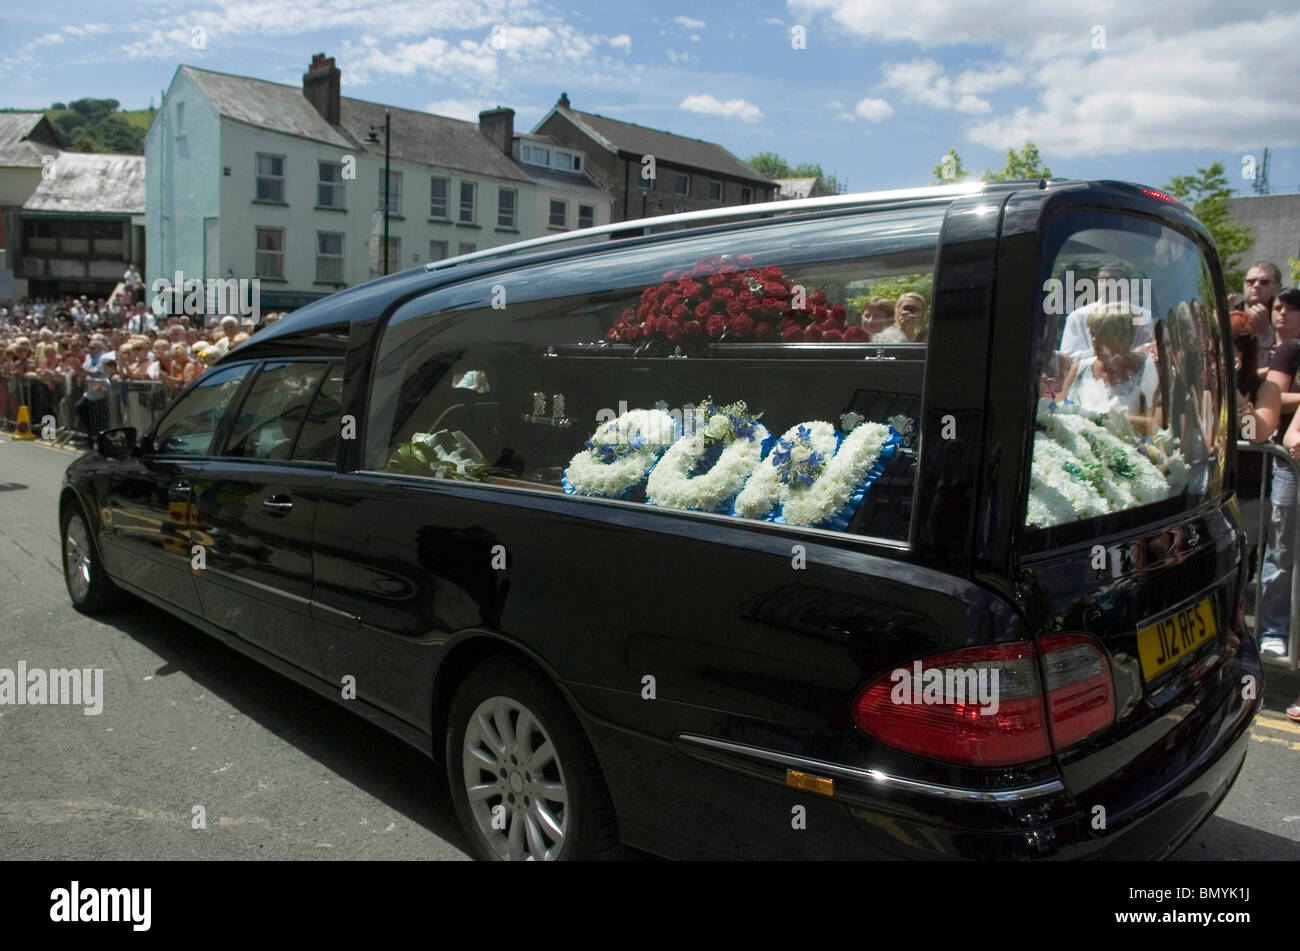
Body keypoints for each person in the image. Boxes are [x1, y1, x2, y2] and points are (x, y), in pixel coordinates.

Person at [1257, 286, 1300, 657]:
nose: (1281, 313)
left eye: (1291, 309)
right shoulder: (1291, 350)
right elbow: (1275, 412)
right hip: (1289, 468)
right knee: (1282, 552)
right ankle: (1273, 630)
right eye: (1279, 307)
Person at [1062, 303, 1159, 433]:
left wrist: (1105, 421)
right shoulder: (1078, 370)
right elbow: (1057, 413)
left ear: (1122, 338)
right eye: (1092, 334)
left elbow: (1154, 425)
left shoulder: (1147, 369)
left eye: (1101, 335)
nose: (1094, 341)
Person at [1058, 262, 1154, 361]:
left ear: (1127, 283)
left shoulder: (1142, 316)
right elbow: (1067, 359)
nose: (1107, 284)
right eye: (1102, 279)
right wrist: (1104, 350)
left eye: (1113, 280)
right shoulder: (1078, 317)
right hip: (1091, 375)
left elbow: (1150, 353)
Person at [1244, 261, 1282, 354]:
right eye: (1250, 281)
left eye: (1264, 282)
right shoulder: (1230, 313)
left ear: (1278, 287)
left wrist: (1266, 333)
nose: (1256, 285)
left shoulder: (1286, 317)